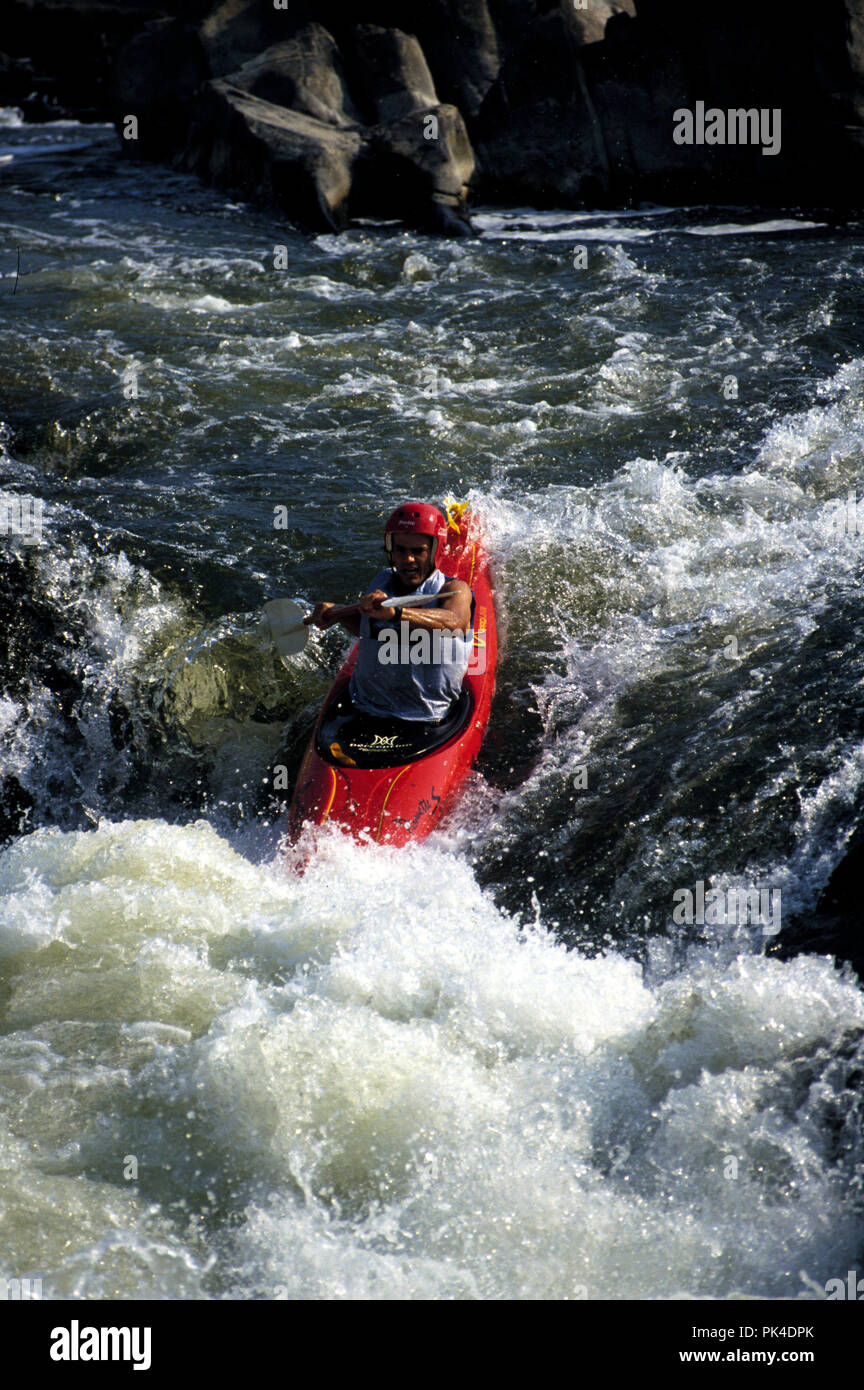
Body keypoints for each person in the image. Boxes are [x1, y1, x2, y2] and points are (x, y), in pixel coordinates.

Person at [305, 502, 473, 723]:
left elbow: (455, 622)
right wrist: (338, 614)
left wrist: (396, 613)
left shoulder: (453, 590)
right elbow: (368, 632)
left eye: (418, 551)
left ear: (435, 551)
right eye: (400, 550)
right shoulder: (382, 581)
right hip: (363, 705)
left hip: (428, 714)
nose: (408, 559)